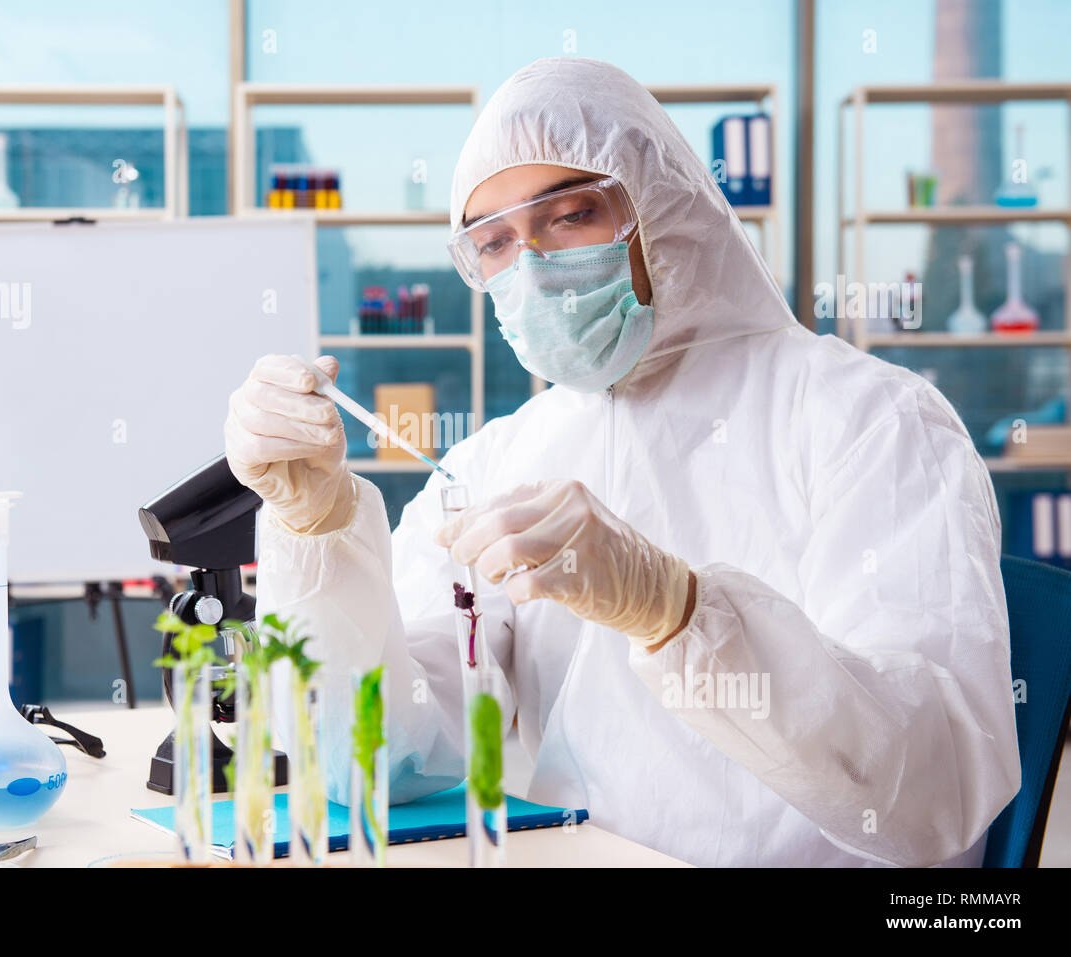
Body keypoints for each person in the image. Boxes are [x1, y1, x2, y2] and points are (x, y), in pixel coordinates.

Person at [224, 57, 1020, 867]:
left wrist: (682, 612)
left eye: (569, 217)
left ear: (665, 206)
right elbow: (388, 755)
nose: (531, 268)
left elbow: (933, 793)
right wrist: (317, 536)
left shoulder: (868, 420)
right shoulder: (499, 459)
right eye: (494, 243)